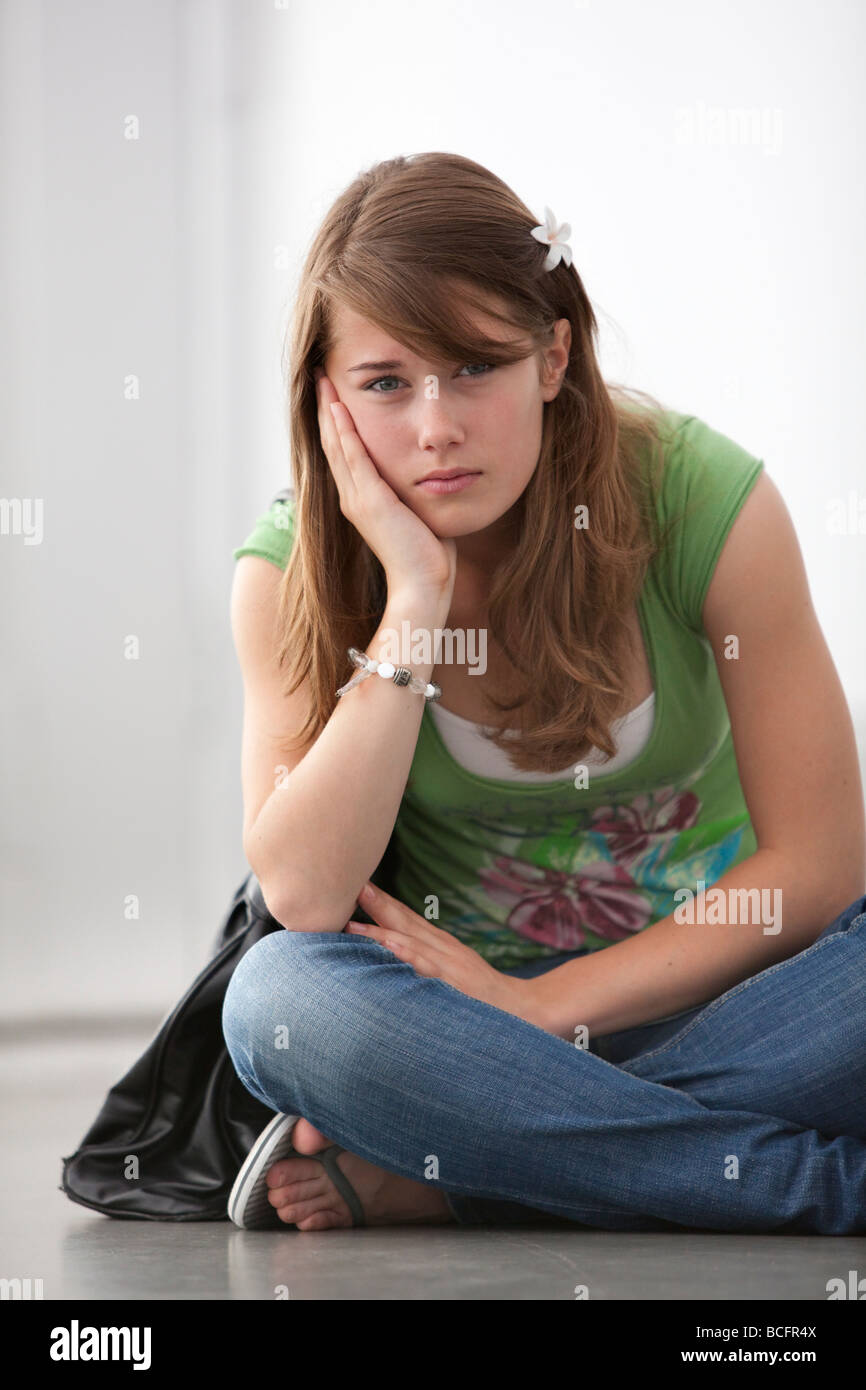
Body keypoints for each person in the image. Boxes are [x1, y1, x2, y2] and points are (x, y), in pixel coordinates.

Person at [221, 151, 866, 1235]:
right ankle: (810, 1185)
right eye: (384, 383)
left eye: (472, 368)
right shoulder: (288, 570)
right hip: (445, 1044)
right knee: (279, 1004)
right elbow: (305, 895)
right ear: (326, 399)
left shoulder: (704, 499)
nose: (434, 428)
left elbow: (818, 864)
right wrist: (411, 599)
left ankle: (471, 1170)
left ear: (552, 355)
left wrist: (537, 1010)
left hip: (726, 1013)